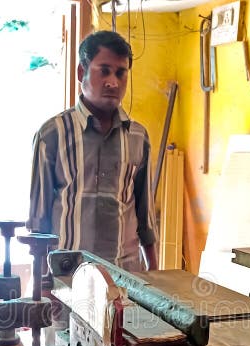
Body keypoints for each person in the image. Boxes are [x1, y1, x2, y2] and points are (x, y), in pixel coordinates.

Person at [28, 30, 158, 272]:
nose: (113, 82)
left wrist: (154, 275)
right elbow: (38, 222)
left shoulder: (138, 137)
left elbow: (145, 217)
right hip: (68, 276)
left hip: (126, 276)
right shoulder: (52, 135)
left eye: (121, 73)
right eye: (104, 71)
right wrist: (43, 284)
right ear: (81, 72)